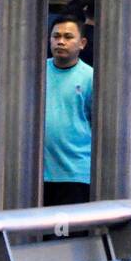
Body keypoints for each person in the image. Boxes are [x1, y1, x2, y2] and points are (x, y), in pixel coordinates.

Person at [44, 12, 93, 206]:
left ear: (82, 43)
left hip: (76, 172)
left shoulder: (91, 76)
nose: (60, 42)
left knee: (69, 234)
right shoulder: (36, 71)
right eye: (56, 37)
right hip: (38, 173)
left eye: (68, 37)